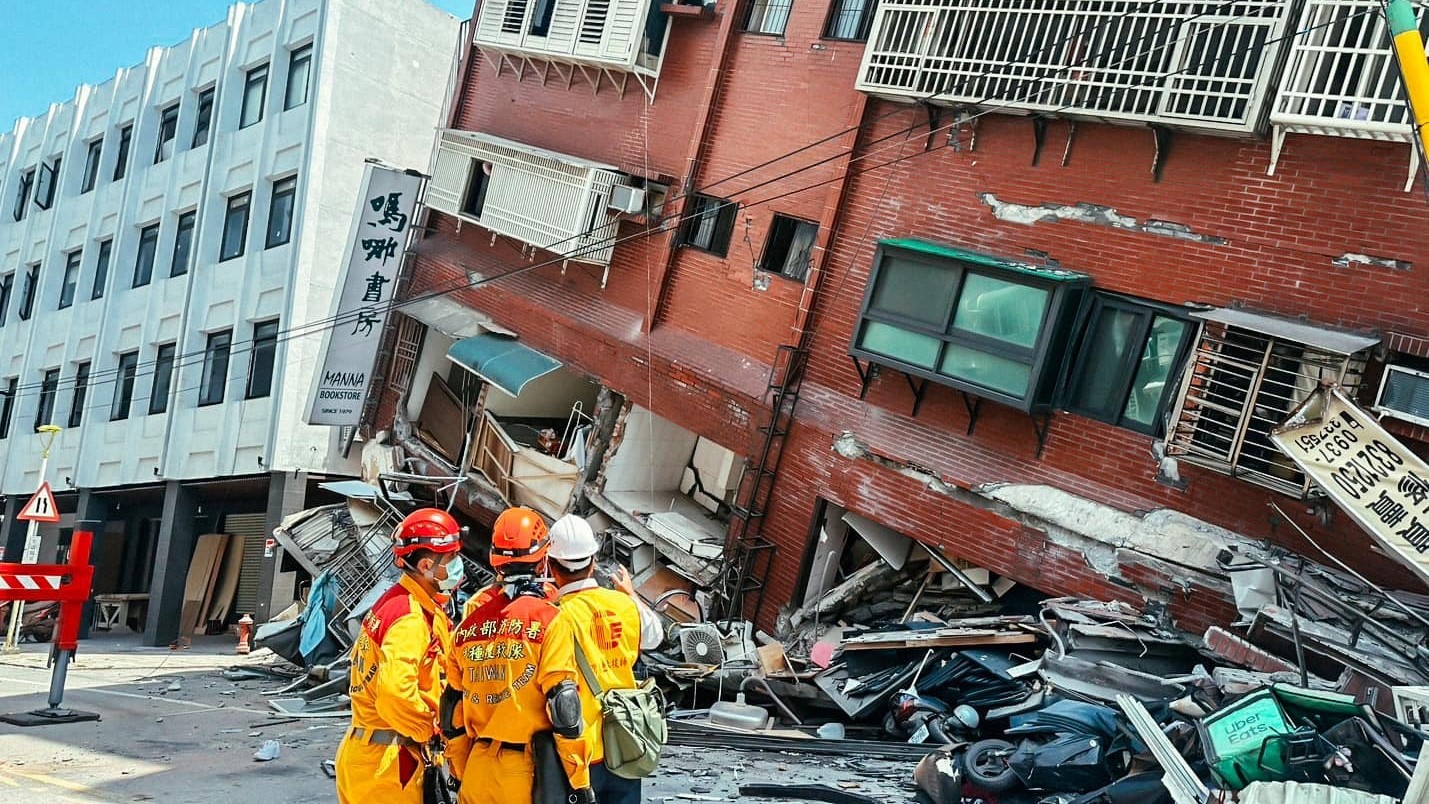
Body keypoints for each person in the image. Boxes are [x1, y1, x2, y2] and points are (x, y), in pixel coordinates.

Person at [442, 506, 594, 804]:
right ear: (543, 561)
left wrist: (459, 772)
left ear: (495, 561)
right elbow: (564, 705)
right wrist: (580, 782)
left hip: (476, 769)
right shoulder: (549, 619)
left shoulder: (467, 627)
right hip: (526, 774)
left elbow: (452, 711)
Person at [335, 507, 465, 804]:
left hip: (371, 756)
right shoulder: (410, 618)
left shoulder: (395, 602)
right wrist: (429, 730)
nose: (457, 566)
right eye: (451, 559)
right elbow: (395, 693)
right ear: (426, 565)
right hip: (389, 765)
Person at [543, 514, 664, 804]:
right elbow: (655, 636)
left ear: (550, 565)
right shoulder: (623, 605)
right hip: (625, 741)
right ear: (593, 561)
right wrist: (632, 595)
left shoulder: (553, 615)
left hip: (579, 751)